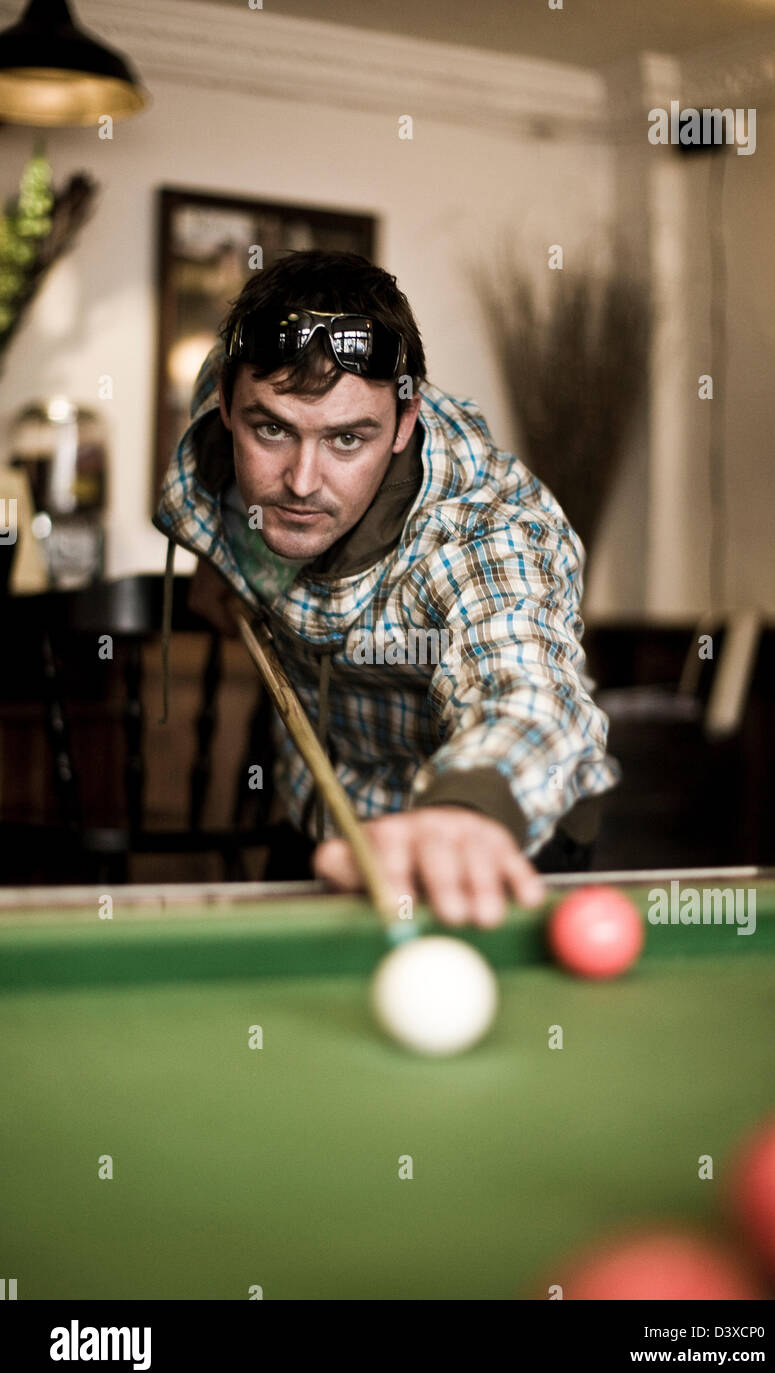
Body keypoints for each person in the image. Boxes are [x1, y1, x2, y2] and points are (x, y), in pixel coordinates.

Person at [154, 251, 618, 927]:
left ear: (404, 423)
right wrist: (218, 555)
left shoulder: (482, 531)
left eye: (348, 438)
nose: (302, 480)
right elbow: (213, 480)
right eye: (272, 429)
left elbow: (525, 689)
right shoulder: (225, 402)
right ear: (226, 403)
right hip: (323, 817)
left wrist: (467, 811)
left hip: (489, 840)